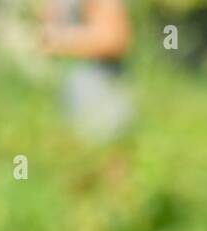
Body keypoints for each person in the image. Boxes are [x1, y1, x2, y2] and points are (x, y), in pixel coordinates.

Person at [40, 0, 135, 142]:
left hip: (100, 98)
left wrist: (61, 39)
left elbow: (115, 39)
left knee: (99, 158)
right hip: (71, 96)